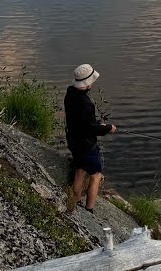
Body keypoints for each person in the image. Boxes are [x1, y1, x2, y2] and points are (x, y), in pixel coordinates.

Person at [64, 63, 116, 212]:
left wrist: (94, 123)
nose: (93, 83)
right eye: (92, 81)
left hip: (73, 141)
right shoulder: (85, 103)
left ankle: (76, 202)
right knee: (96, 176)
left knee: (80, 171)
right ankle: (89, 209)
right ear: (87, 83)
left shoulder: (70, 93)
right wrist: (108, 128)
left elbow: (82, 122)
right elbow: (91, 129)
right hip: (86, 145)